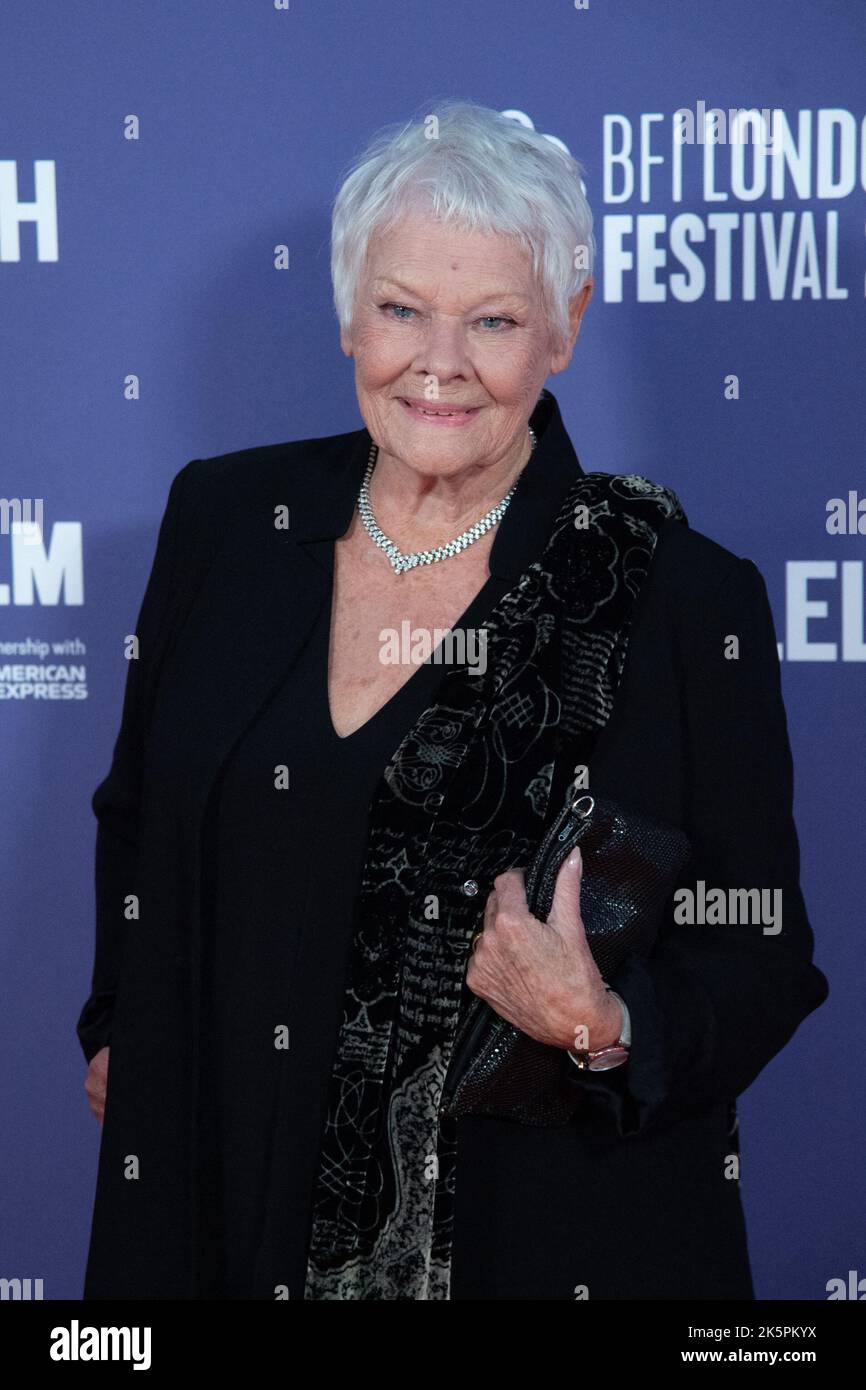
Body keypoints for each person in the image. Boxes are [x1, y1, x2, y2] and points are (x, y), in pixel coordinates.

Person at [78, 100, 828, 1300]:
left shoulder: (675, 594)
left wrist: (602, 1019)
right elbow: (137, 812)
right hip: (212, 1202)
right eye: (399, 310)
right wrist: (122, 1019)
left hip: (525, 1242)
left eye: (492, 320)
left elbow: (760, 948)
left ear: (565, 328)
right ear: (345, 314)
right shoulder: (226, 521)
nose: (438, 362)